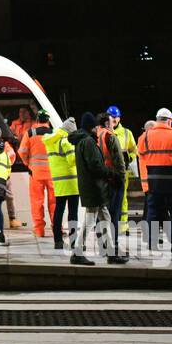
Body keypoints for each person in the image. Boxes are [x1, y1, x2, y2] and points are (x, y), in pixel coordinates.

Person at [137, 107, 172, 254]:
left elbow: (141, 154)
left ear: (156, 119)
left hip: (154, 180)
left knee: (153, 211)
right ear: (169, 121)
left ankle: (151, 242)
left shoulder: (145, 137)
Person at [69, 112, 115, 265]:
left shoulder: (82, 141)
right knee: (90, 221)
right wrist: (110, 173)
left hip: (93, 187)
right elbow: (95, 166)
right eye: (95, 126)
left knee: (105, 218)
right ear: (91, 127)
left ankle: (111, 252)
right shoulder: (88, 142)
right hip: (93, 187)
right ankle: (77, 252)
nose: (97, 129)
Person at [95, 112, 129, 262]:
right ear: (107, 123)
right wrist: (121, 177)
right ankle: (113, 248)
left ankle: (103, 247)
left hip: (100, 180)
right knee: (113, 215)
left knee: (102, 215)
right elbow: (119, 160)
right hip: (113, 179)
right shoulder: (110, 136)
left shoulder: (95, 136)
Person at [19, 110, 56, 238]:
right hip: (53, 174)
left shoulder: (30, 133)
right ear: (48, 120)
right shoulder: (54, 134)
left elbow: (22, 152)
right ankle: (57, 228)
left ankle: (39, 231)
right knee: (54, 203)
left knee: (36, 202)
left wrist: (28, 164)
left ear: (37, 120)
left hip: (35, 174)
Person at [45, 117, 80, 249]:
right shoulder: (67, 141)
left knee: (58, 211)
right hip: (71, 181)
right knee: (73, 213)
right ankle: (73, 241)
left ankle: (57, 241)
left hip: (58, 182)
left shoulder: (51, 141)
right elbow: (72, 161)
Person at [106, 105, 137, 236]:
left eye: (115, 116)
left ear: (119, 118)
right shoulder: (103, 132)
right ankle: (108, 225)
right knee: (108, 198)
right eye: (111, 116)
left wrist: (129, 159)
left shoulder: (126, 133)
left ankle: (123, 226)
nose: (113, 119)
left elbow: (134, 150)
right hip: (108, 170)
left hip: (122, 171)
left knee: (122, 198)